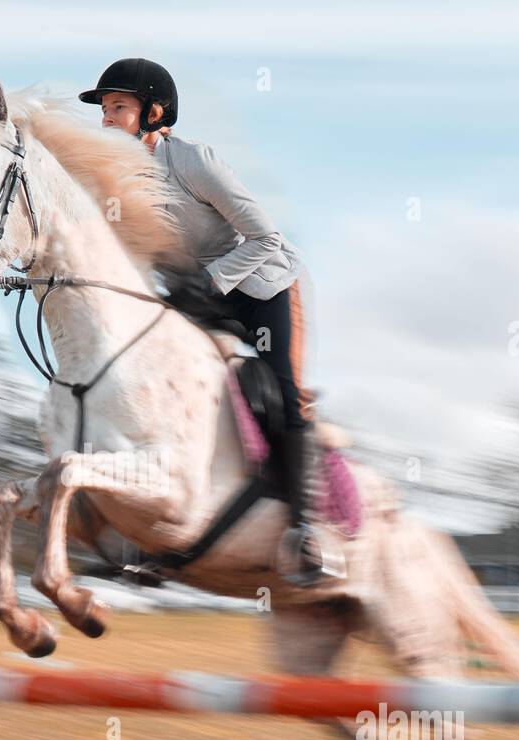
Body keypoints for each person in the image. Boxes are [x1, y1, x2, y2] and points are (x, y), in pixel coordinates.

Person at [79, 57, 338, 587]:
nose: (107, 119)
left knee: (282, 391)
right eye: (104, 110)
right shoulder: (113, 181)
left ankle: (306, 531)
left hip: (262, 287)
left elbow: (267, 239)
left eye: (118, 108)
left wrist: (211, 283)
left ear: (154, 113)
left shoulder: (194, 161)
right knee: (156, 388)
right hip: (195, 295)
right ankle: (152, 536)